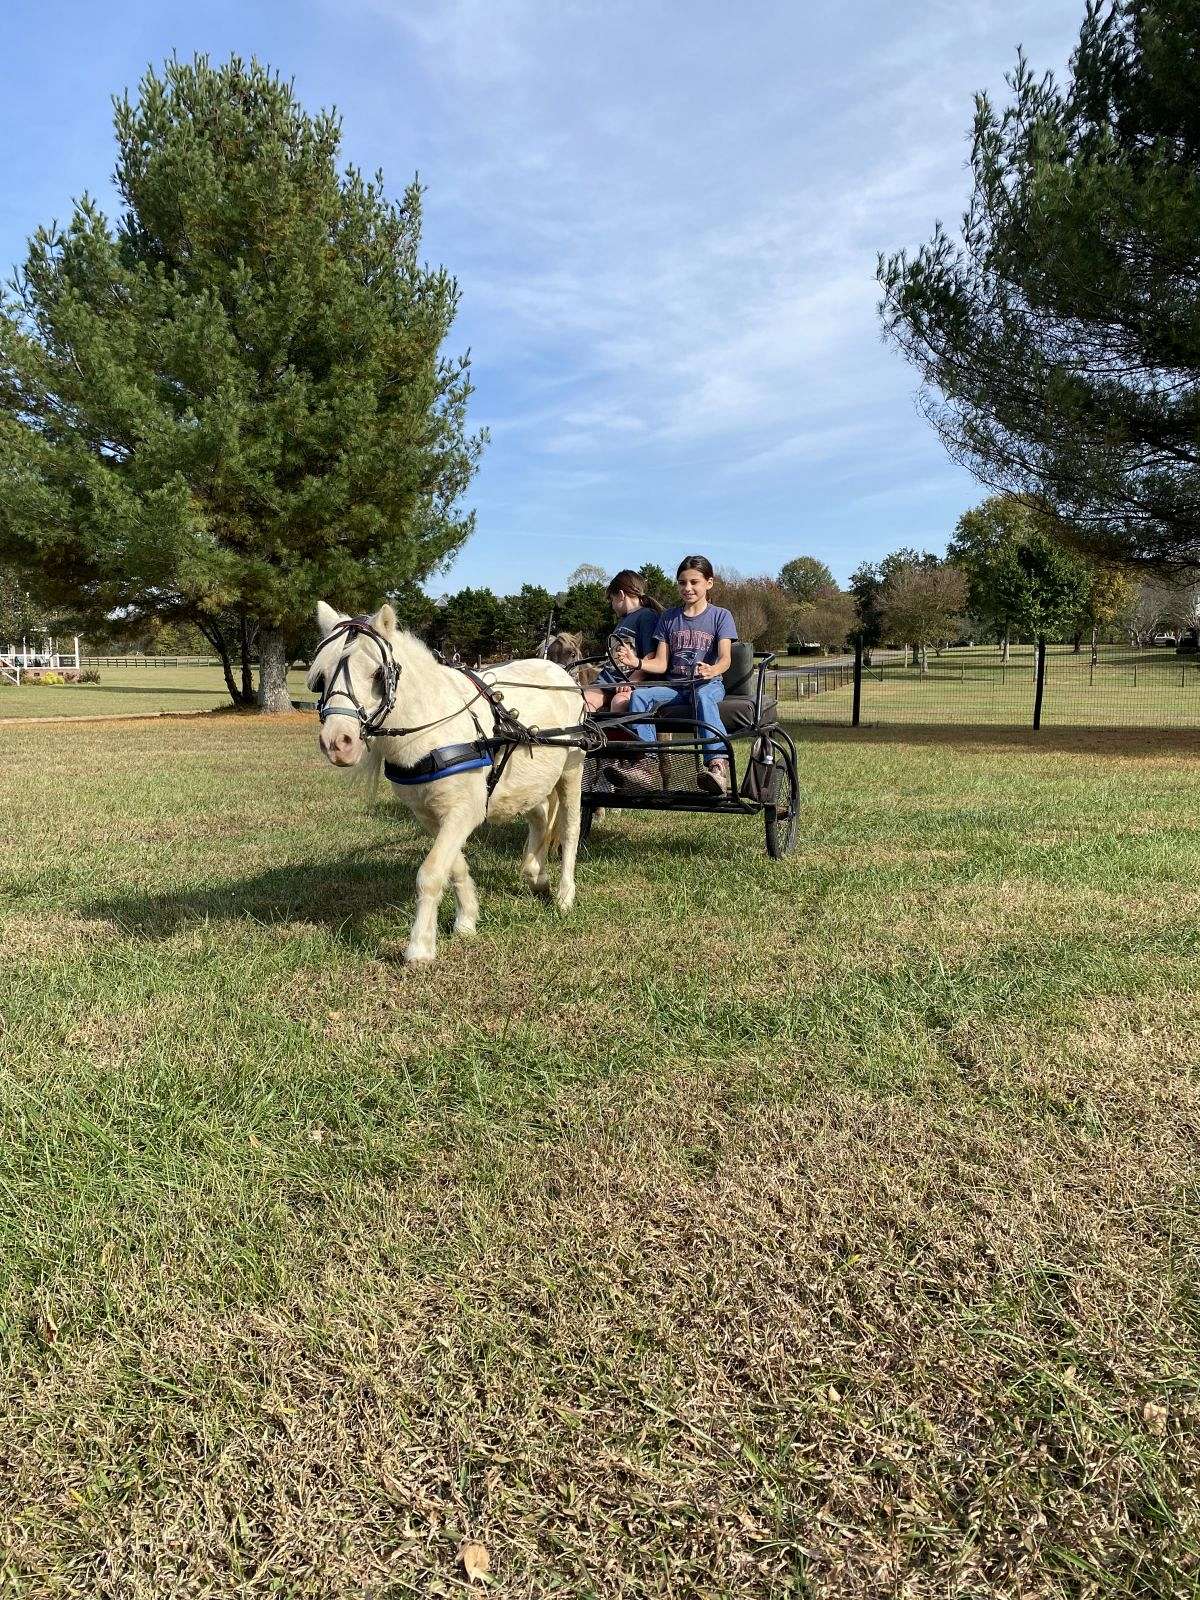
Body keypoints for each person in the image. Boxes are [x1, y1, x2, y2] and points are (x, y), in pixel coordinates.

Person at [604, 555, 736, 794]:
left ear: (709, 583)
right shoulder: (668, 618)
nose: (687, 588)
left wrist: (712, 669)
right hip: (675, 687)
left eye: (694, 582)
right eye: (682, 583)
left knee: (703, 697)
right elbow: (662, 664)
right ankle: (647, 765)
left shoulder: (720, 616)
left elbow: (726, 658)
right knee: (640, 697)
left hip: (708, 684)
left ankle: (717, 766)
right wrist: (637, 662)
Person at [582, 570, 662, 715]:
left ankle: (618, 738)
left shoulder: (647, 616)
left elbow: (650, 655)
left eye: (612, 599)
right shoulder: (623, 620)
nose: (612, 605)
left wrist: (630, 681)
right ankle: (593, 737)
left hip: (633, 683)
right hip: (608, 681)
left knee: (619, 702)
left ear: (621, 594)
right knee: (585, 701)